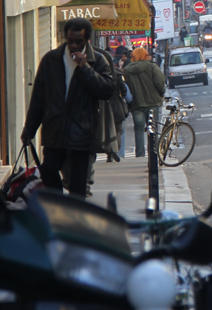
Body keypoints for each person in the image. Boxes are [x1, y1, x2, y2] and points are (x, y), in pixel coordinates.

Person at [20, 17, 116, 197]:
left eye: (78, 42)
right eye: (70, 41)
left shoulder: (98, 61)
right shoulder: (51, 60)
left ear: (87, 40)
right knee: (48, 171)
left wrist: (85, 68)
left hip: (81, 134)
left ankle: (74, 219)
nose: (73, 46)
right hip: (54, 131)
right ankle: (58, 209)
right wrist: (29, 130)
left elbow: (107, 90)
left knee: (78, 187)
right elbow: (38, 98)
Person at [123, 46, 166, 158]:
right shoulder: (152, 67)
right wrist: (161, 94)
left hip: (137, 104)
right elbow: (160, 83)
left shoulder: (127, 71)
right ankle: (154, 154)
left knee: (139, 129)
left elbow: (126, 88)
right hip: (153, 102)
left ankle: (140, 155)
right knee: (153, 130)